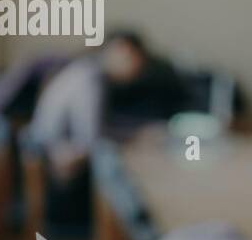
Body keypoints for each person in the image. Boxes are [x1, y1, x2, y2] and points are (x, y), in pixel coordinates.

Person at [26, 30, 187, 225]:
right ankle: (141, 229)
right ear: (121, 50)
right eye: (136, 59)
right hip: (54, 169)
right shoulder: (89, 78)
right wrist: (137, 136)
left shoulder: (89, 72)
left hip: (54, 162)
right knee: (111, 160)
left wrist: (139, 132)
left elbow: (98, 127)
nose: (139, 68)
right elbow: (92, 138)